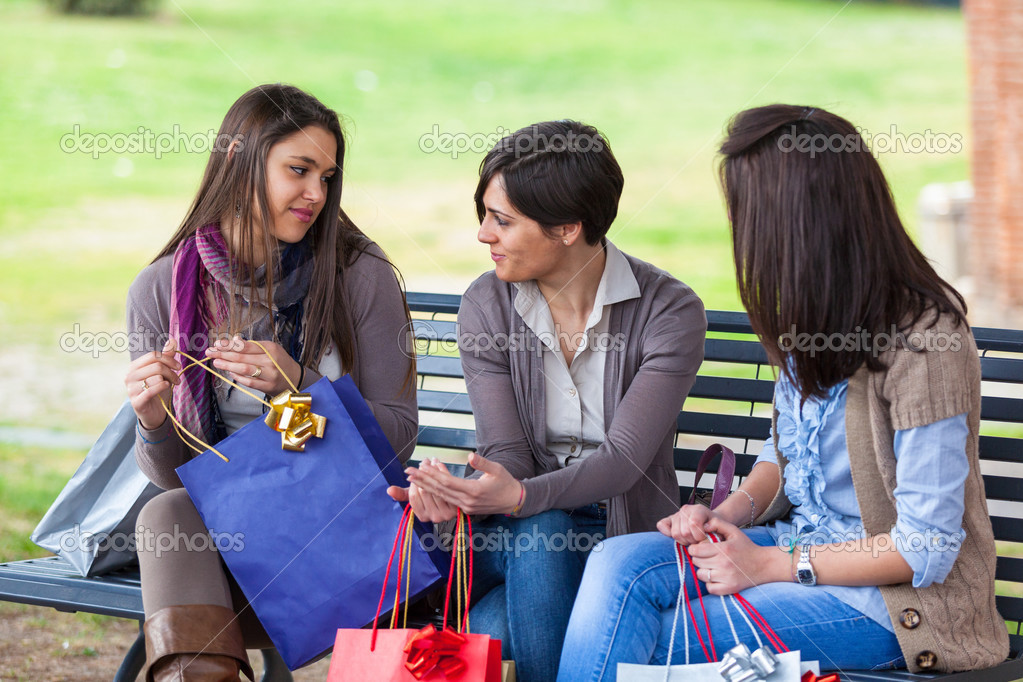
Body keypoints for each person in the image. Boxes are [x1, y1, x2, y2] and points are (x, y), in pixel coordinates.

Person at [557, 104, 1010, 681]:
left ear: (797, 226)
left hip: (894, 606)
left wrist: (768, 563)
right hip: (799, 547)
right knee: (616, 561)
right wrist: (723, 517)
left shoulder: (925, 343)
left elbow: (925, 546)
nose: (741, 236)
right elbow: (784, 457)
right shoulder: (811, 315)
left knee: (657, 637)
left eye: (747, 216)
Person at [388, 120, 707, 682]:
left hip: (622, 540)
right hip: (515, 538)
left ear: (567, 228)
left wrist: (518, 498)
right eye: (484, 215)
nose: (484, 235)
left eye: (502, 221)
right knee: (539, 532)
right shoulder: (487, 305)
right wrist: (465, 490)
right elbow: (507, 448)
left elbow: (625, 459)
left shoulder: (669, 311)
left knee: (490, 629)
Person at [124, 84, 417, 681]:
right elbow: (172, 473)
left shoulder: (360, 276)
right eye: (299, 170)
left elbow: (398, 441)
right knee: (168, 513)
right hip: (231, 527)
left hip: (344, 521)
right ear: (238, 162)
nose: (317, 194)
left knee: (170, 521)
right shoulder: (162, 289)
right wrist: (153, 419)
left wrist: (298, 387)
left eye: (327, 176)